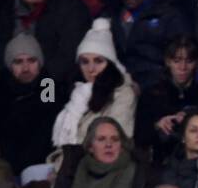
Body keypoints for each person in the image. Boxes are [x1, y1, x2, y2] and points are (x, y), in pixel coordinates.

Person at [0, 0, 91, 89]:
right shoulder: (4, 11)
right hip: (10, 85)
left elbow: (66, 61)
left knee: (45, 102)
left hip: (52, 86)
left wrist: (35, 86)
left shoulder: (73, 10)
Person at [100, 0, 190, 91]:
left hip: (157, 90)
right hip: (116, 87)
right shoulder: (110, 10)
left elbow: (181, 65)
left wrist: (144, 86)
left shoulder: (171, 13)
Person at [50, 18, 137, 151]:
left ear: (111, 64)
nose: (91, 68)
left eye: (98, 61)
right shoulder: (78, 93)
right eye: (85, 62)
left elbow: (114, 143)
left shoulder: (123, 94)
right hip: (71, 162)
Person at [0, 35, 63, 180]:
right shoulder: (2, 88)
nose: (26, 68)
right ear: (10, 65)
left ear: (39, 63)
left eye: (31, 60)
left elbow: (47, 127)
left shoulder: (48, 85)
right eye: (18, 62)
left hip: (39, 170)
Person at [135, 35, 198, 166]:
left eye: (189, 61)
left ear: (196, 62)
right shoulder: (151, 95)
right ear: (168, 61)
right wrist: (157, 125)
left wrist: (191, 118)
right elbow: (139, 136)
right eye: (177, 60)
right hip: (162, 162)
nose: (182, 67)